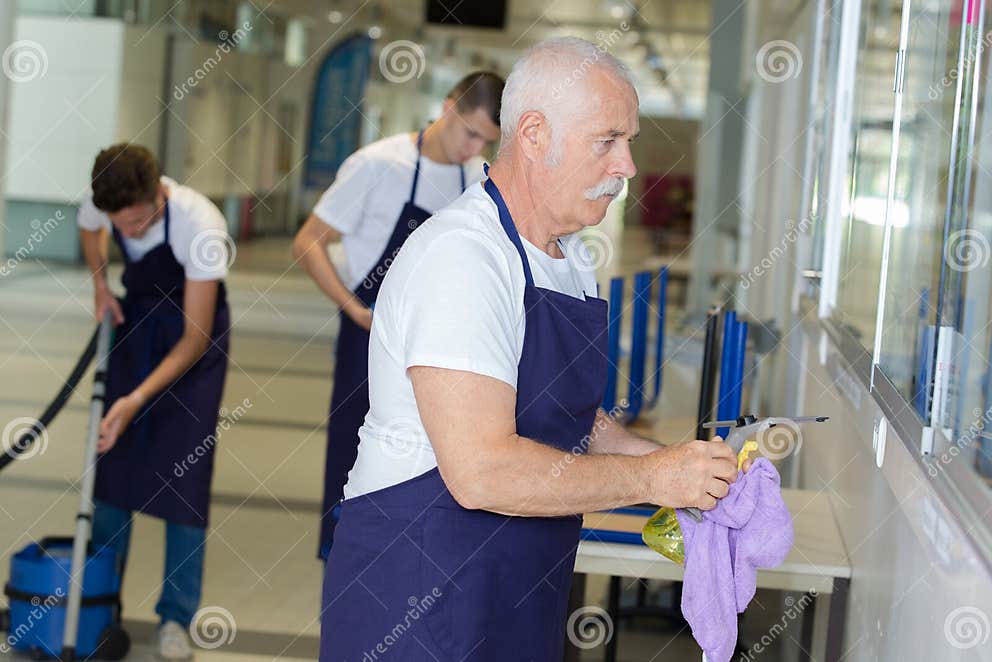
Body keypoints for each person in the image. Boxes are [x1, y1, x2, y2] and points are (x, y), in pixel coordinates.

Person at [318, 37, 743, 661]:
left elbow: (566, 418)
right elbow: (482, 472)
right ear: (536, 134)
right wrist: (652, 477)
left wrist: (686, 471)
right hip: (419, 590)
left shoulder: (569, 259)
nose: (627, 165)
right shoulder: (463, 258)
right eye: (609, 141)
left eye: (628, 141)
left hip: (516, 585)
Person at [292, 71, 504, 558]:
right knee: (353, 451)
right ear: (448, 107)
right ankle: (341, 557)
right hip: (367, 334)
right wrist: (354, 310)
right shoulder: (379, 164)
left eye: (485, 141)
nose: (474, 148)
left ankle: (409, 560)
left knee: (429, 454)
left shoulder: (474, 180)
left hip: (436, 341)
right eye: (470, 133)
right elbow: (308, 242)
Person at [78, 144, 231, 660]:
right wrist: (101, 285)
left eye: (142, 220)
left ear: (158, 195)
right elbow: (89, 229)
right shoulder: (105, 198)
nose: (135, 232)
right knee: (111, 472)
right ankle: (100, 604)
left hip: (191, 347)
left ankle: (177, 617)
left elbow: (196, 336)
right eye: (124, 224)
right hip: (134, 328)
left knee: (184, 481)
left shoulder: (201, 225)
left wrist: (137, 398)